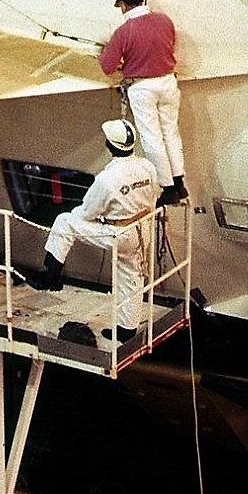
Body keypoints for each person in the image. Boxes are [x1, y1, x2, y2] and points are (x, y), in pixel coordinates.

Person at [47, 118, 160, 342]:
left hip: (118, 234)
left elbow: (87, 212)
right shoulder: (147, 167)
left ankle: (51, 274)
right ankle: (127, 328)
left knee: (64, 221)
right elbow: (154, 194)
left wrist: (96, 218)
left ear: (109, 145)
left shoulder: (107, 178)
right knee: (131, 276)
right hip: (142, 227)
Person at [98, 0, 187, 207]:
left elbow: (107, 67)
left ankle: (167, 188)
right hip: (168, 82)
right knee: (171, 134)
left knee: (151, 137)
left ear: (124, 5)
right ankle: (179, 182)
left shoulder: (123, 32)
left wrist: (105, 51)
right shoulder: (164, 21)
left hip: (143, 87)